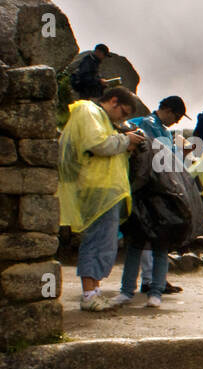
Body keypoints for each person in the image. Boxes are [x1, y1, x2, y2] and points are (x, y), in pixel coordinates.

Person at [57, 87, 147, 310]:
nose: (123, 119)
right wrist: (126, 141)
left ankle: (94, 291)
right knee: (97, 241)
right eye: (123, 112)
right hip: (97, 188)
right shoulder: (88, 110)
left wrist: (125, 143)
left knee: (105, 242)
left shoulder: (105, 120)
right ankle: (88, 294)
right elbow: (97, 144)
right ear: (113, 101)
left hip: (107, 191)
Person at [119, 96, 189, 303]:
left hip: (148, 190)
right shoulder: (146, 125)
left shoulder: (158, 128)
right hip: (151, 190)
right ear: (167, 110)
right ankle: (151, 286)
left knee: (143, 243)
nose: (177, 121)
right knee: (152, 242)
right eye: (176, 116)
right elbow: (157, 158)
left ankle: (141, 287)